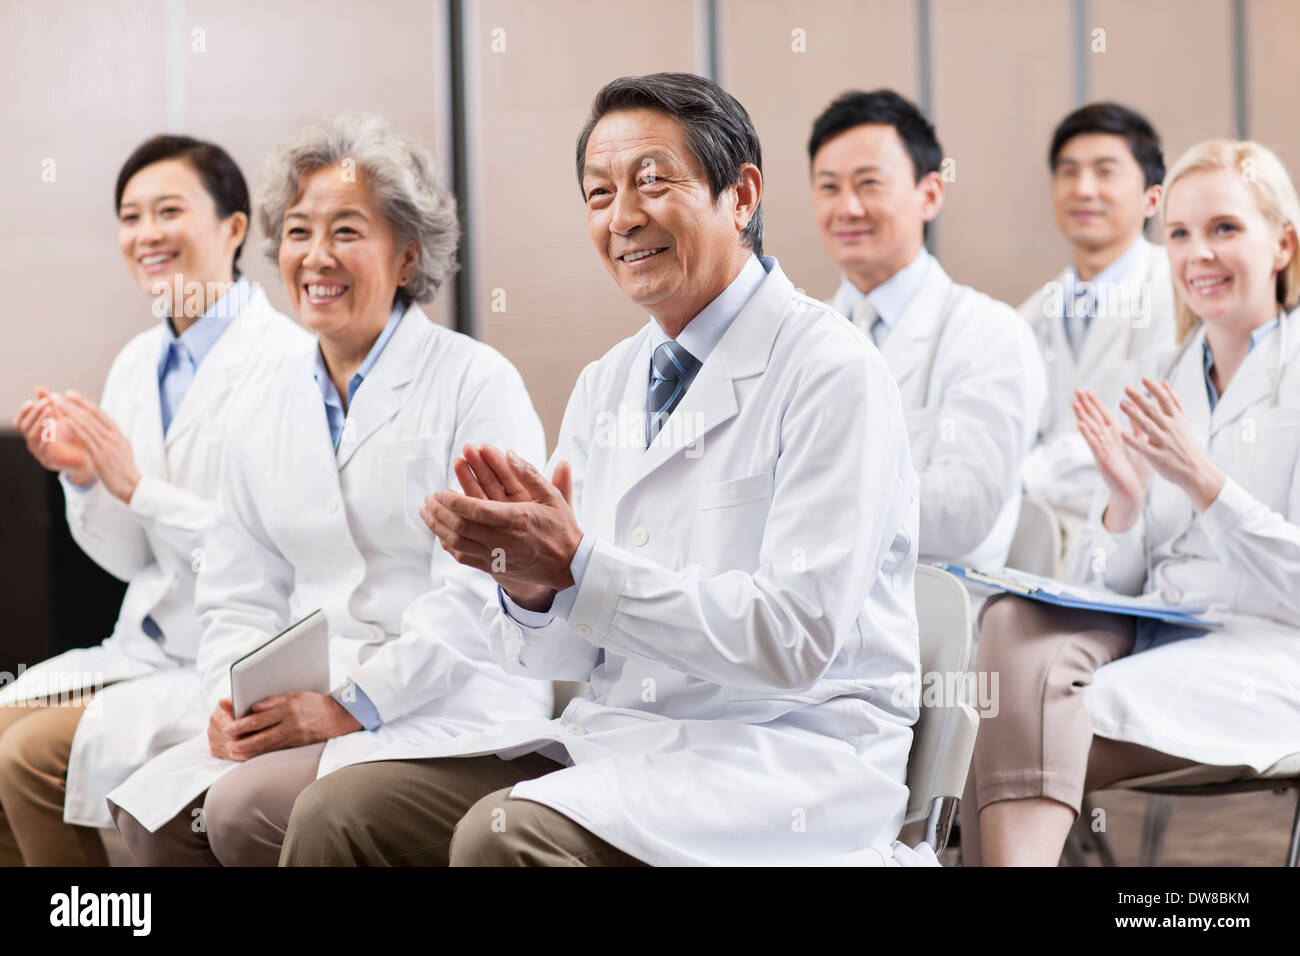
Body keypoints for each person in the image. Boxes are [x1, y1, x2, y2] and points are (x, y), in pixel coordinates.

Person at [279, 73, 931, 867]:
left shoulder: (832, 372)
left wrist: (578, 565)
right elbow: (562, 659)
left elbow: (792, 641)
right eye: (598, 194)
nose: (623, 217)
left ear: (742, 194)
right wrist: (531, 586)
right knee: (340, 813)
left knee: (499, 839)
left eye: (653, 182)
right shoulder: (608, 383)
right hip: (622, 740)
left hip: (785, 757)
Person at [106, 111, 552, 865]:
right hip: (313, 705)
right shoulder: (261, 399)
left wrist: (353, 704)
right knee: (153, 820)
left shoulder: (476, 383)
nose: (317, 256)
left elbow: (480, 599)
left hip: (453, 703)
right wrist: (231, 702)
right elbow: (238, 587)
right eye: (302, 232)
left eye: (347, 232)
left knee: (243, 811)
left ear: (407, 256)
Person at [964, 139, 1300, 866]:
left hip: (1265, 648)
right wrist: (1121, 503)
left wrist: (1205, 482)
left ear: (1283, 244)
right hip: (1162, 628)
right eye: (1178, 233)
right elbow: (1114, 584)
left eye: (1224, 229)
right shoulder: (1168, 376)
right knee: (1011, 621)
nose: (1196, 255)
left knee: (1003, 720)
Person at [1, 135, 309, 865]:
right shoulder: (138, 363)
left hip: (230, 658)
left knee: (26, 756)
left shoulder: (289, 364)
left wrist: (139, 487)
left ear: (234, 228)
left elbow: (273, 552)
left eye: (168, 210)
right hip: (148, 647)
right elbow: (129, 555)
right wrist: (85, 479)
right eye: (130, 216)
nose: (146, 234)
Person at [814, 90, 1045, 574]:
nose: (848, 208)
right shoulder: (806, 333)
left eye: (869, 184)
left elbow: (962, 512)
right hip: (805, 609)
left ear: (931, 194)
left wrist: (806, 498)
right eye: (829, 187)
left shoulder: (991, 334)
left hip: (938, 617)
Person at [1018, 103, 1177, 552]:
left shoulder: (1178, 294)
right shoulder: (1029, 315)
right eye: (1068, 173)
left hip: (1141, 537)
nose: (1083, 189)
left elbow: (1141, 435)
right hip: (1043, 541)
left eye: (1105, 172)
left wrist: (1024, 476)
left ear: (1151, 196)